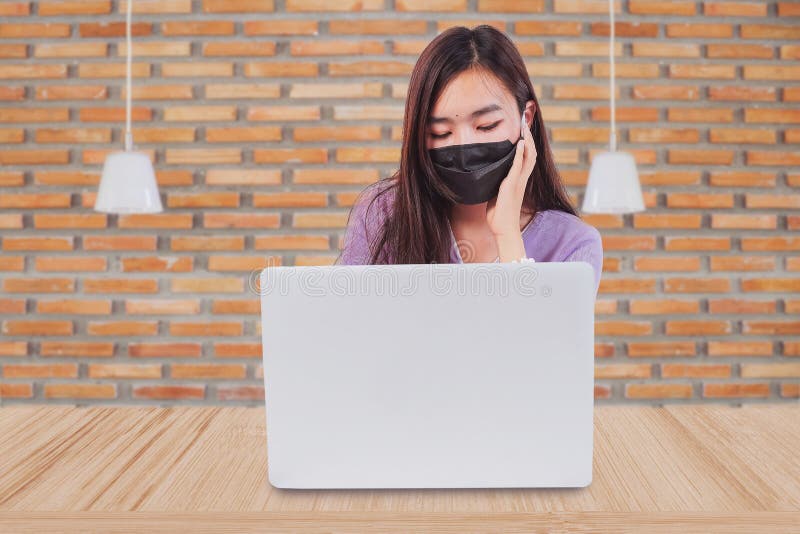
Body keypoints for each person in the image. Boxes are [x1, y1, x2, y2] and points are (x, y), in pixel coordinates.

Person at [335, 25, 603, 296]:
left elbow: (541, 338)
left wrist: (507, 234)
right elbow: (349, 325)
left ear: (527, 118)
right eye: (440, 132)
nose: (464, 146)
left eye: (486, 126)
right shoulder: (383, 214)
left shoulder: (573, 244)